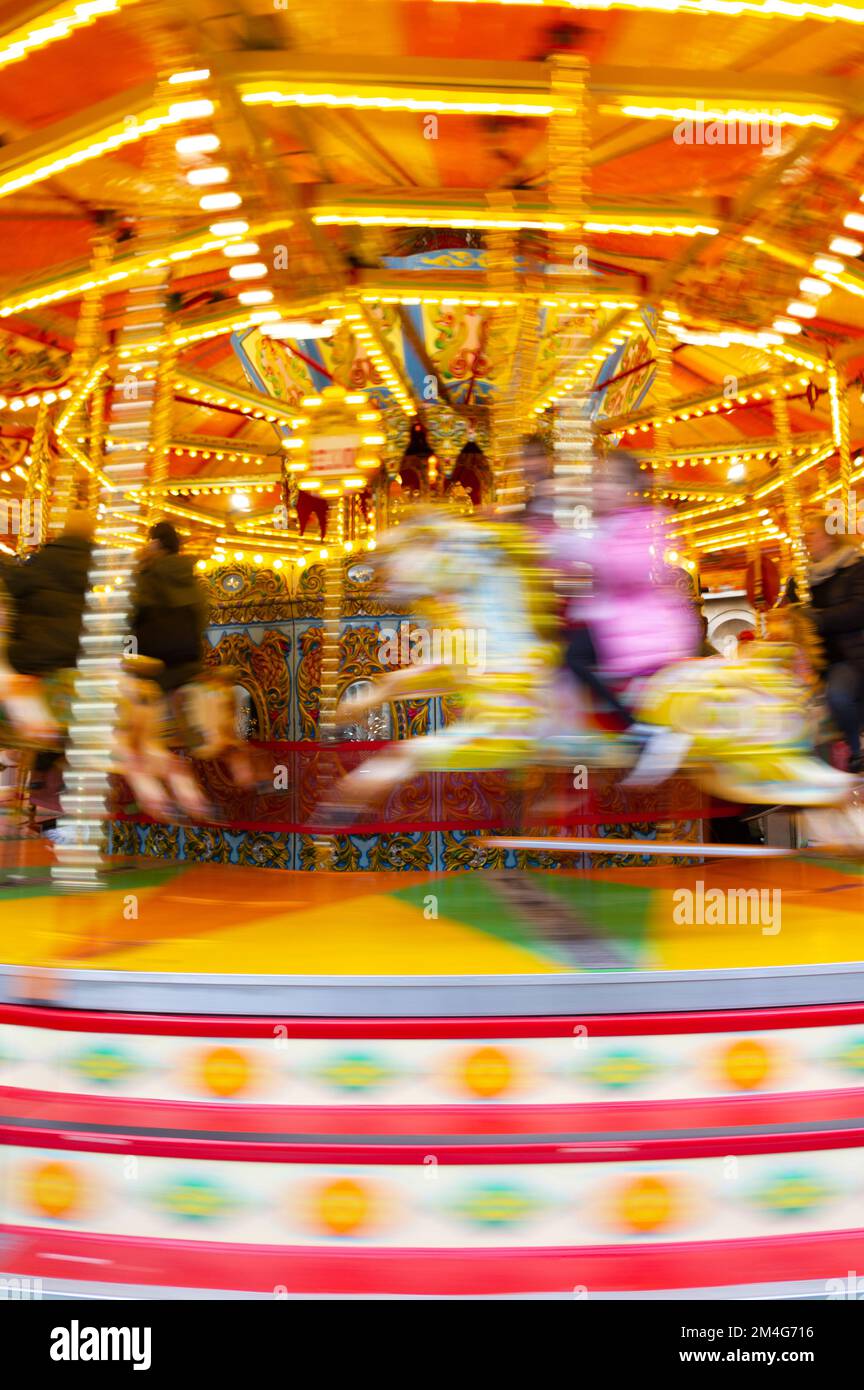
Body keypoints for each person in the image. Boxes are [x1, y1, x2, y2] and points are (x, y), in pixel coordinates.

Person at [550, 448, 701, 779]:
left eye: (614, 482)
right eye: (599, 481)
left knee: (573, 656)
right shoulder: (597, 525)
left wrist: (587, 551)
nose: (603, 488)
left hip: (639, 619)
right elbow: (563, 563)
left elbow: (632, 568)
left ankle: (642, 731)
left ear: (630, 488)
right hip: (607, 616)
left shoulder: (645, 521)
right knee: (559, 659)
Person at [787, 510, 864, 773]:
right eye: (804, 534)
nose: (805, 539)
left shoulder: (855, 568)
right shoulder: (805, 577)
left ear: (830, 538)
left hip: (850, 655)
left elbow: (859, 609)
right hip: (814, 660)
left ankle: (857, 750)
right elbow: (793, 610)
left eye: (811, 533)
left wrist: (819, 618)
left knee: (838, 695)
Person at [1, 509, 94, 675]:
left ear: (65, 529)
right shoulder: (94, 565)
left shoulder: (48, 556)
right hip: (76, 657)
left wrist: (5, 565)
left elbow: (16, 585)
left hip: (33, 654)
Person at [132, 521, 209, 692]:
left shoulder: (147, 578)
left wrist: (139, 569)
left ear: (156, 544)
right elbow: (202, 621)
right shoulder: (191, 579)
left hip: (154, 673)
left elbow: (130, 619)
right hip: (190, 669)